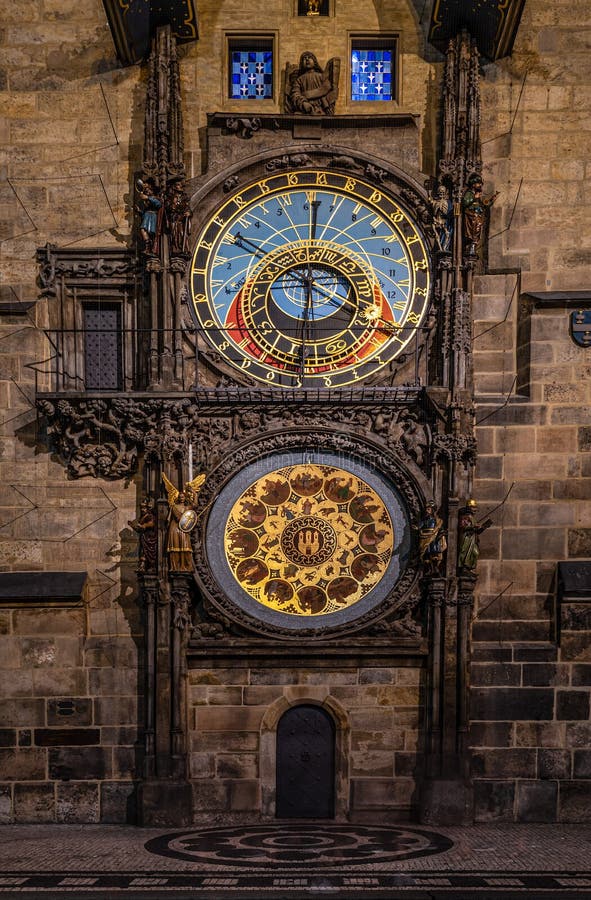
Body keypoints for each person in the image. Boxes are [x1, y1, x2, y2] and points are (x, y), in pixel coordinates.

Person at [287, 52, 339, 116]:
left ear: (314, 62)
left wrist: (326, 106)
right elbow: (295, 94)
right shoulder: (299, 80)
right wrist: (303, 103)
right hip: (304, 109)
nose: (307, 59)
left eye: (309, 57)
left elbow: (327, 91)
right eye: (304, 58)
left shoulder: (321, 77)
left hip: (320, 109)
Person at [462, 174, 498, 252]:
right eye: (479, 183)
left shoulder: (479, 194)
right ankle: (471, 245)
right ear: (473, 184)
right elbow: (465, 202)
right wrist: (475, 197)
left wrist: (492, 200)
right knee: (473, 230)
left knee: (478, 229)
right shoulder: (469, 193)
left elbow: (484, 204)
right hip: (470, 215)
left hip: (477, 215)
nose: (480, 185)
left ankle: (473, 245)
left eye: (481, 183)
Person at [458, 501, 492, 572]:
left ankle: (469, 568)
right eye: (474, 508)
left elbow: (477, 532)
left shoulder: (472, 518)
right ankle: (464, 568)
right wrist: (473, 527)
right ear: (469, 508)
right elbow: (462, 527)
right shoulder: (465, 516)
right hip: (467, 538)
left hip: (473, 539)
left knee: (476, 553)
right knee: (465, 553)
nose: (475, 510)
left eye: (475, 508)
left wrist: (484, 527)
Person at [128, 498, 158, 573]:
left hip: (150, 537)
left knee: (149, 552)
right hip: (144, 537)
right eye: (141, 508)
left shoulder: (150, 516)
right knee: (142, 552)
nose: (142, 510)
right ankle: (142, 566)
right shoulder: (141, 518)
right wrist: (132, 526)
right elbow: (139, 530)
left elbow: (152, 524)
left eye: (144, 508)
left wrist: (144, 525)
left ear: (147, 508)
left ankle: (151, 566)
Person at [136, 177, 162, 254]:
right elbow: (144, 211)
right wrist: (139, 211)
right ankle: (148, 247)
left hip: (153, 216)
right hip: (147, 215)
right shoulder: (147, 201)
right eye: (146, 191)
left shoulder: (154, 198)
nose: (147, 192)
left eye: (148, 191)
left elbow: (159, 204)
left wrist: (148, 198)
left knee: (152, 232)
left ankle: (153, 247)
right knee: (143, 230)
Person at [418, 502, 447, 575]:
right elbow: (419, 527)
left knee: (434, 554)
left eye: (428, 509)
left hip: (434, 539)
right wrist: (417, 528)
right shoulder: (424, 521)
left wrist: (441, 533)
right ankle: (429, 569)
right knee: (426, 554)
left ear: (433, 511)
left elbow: (440, 529)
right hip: (425, 538)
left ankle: (435, 569)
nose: (426, 511)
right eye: (426, 509)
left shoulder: (437, 521)